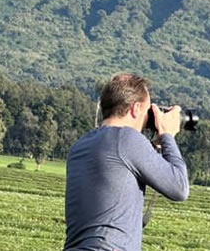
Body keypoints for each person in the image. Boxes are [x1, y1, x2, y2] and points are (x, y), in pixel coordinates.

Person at [63, 72, 189, 251]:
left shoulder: (80, 146)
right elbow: (179, 188)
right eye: (147, 112)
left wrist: (154, 145)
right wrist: (167, 134)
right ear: (136, 108)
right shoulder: (127, 138)